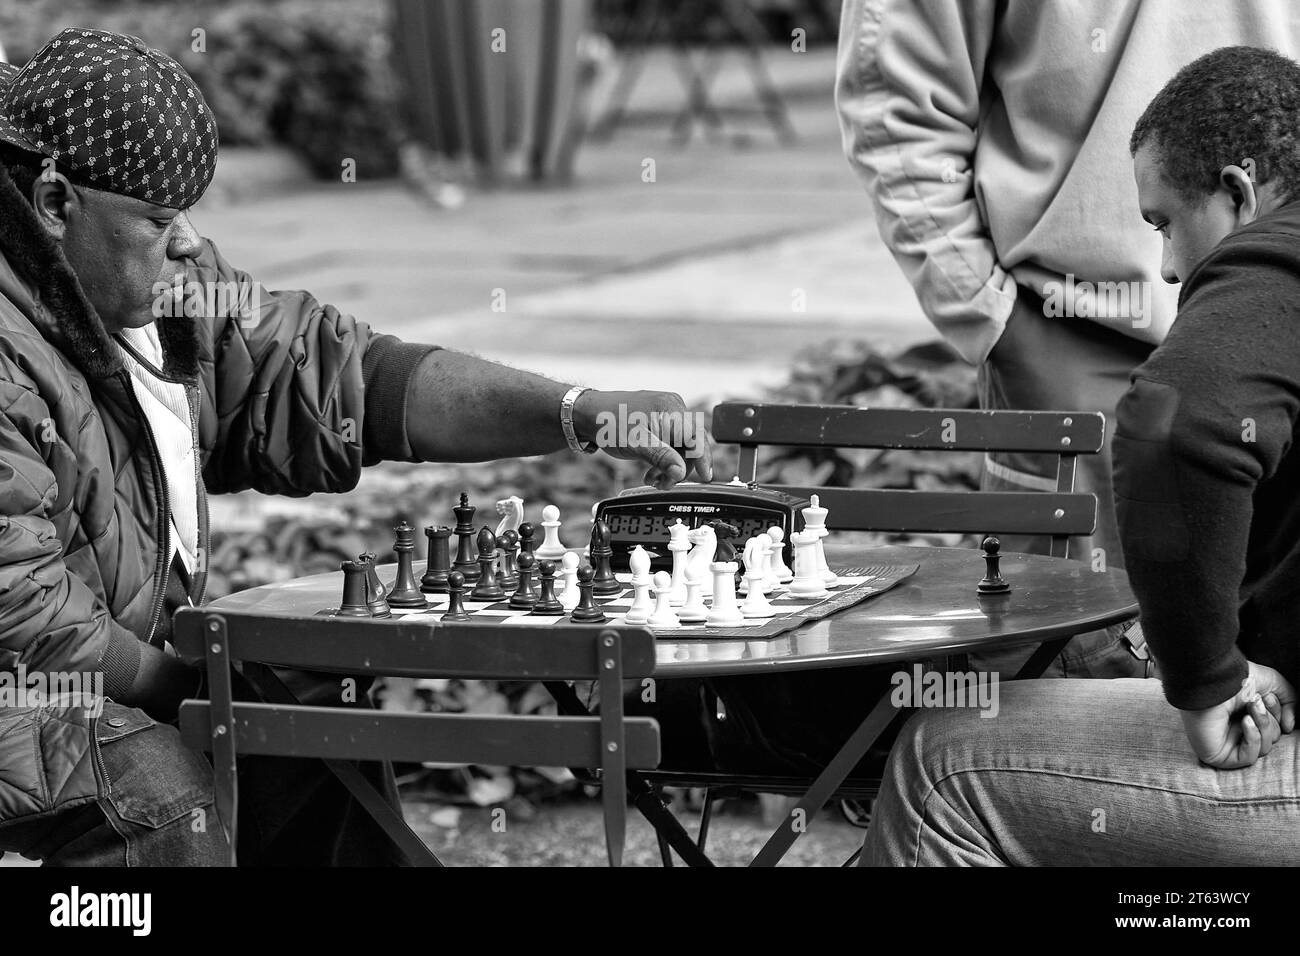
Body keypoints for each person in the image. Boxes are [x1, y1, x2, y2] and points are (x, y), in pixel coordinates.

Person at [0, 28, 711, 866]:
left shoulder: (162, 284)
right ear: (53, 205)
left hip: (110, 666)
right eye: (159, 220)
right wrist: (198, 685)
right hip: (33, 685)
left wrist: (579, 410)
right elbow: (26, 615)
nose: (189, 241)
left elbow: (340, 379)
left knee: (307, 710)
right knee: (158, 794)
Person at [860, 45, 1300, 866]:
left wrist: (1206, 686)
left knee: (942, 762)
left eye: (1167, 223)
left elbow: (1172, 425)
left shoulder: (1272, 258)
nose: (1167, 267)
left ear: (1241, 192)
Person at [835, 0, 1300, 677]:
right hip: (1069, 343)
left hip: (1277, 321)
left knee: (1262, 698)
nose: (1169, 265)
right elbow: (894, 97)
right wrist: (994, 317)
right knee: (1069, 681)